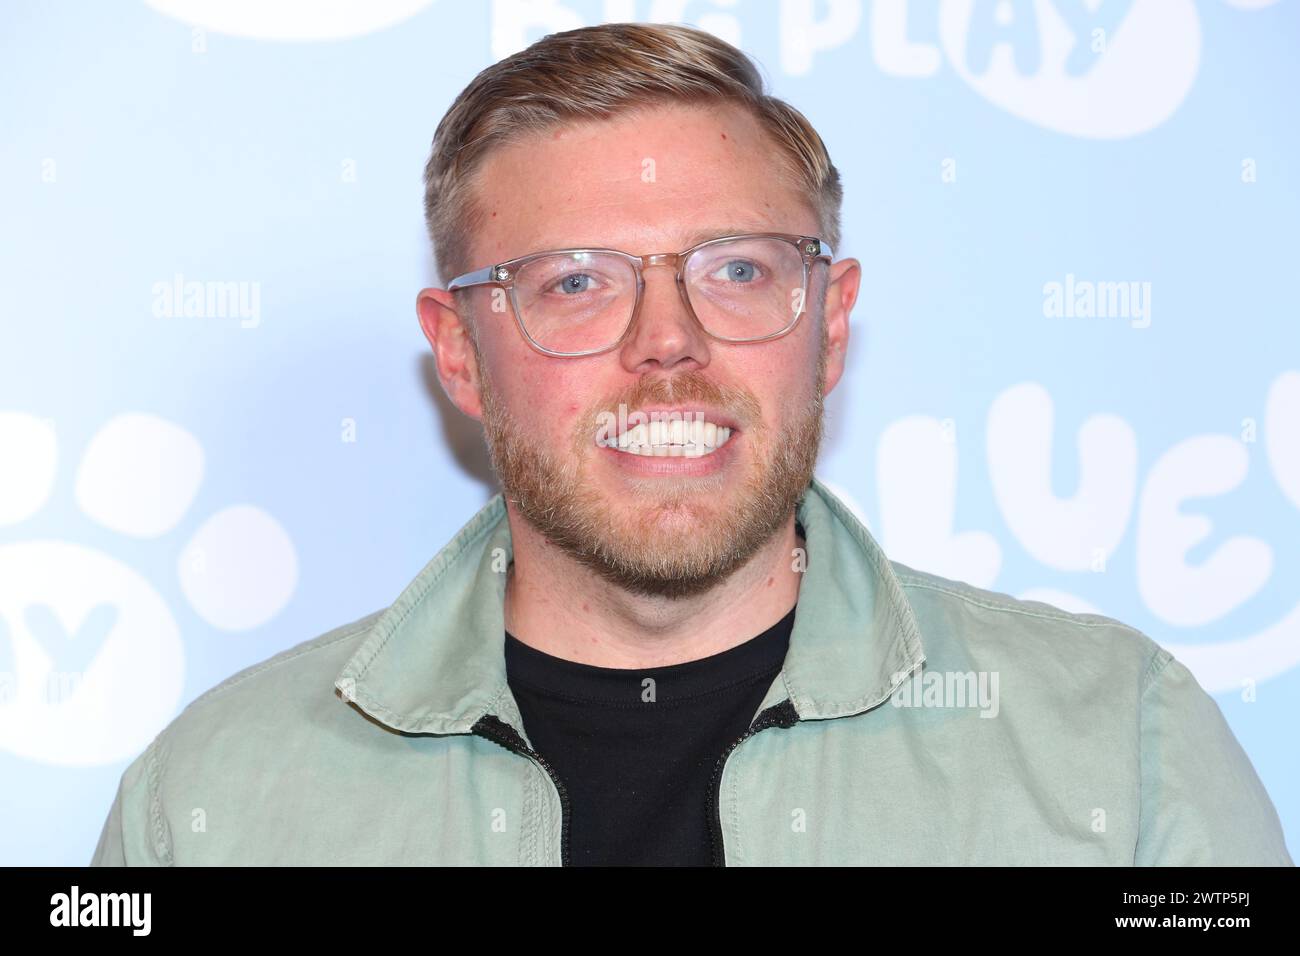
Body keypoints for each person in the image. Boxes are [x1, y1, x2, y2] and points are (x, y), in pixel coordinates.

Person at [92, 22, 1291, 867]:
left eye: (737, 269)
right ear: (459, 353)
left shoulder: (1119, 745)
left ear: (828, 326)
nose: (666, 342)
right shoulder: (211, 802)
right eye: (572, 282)